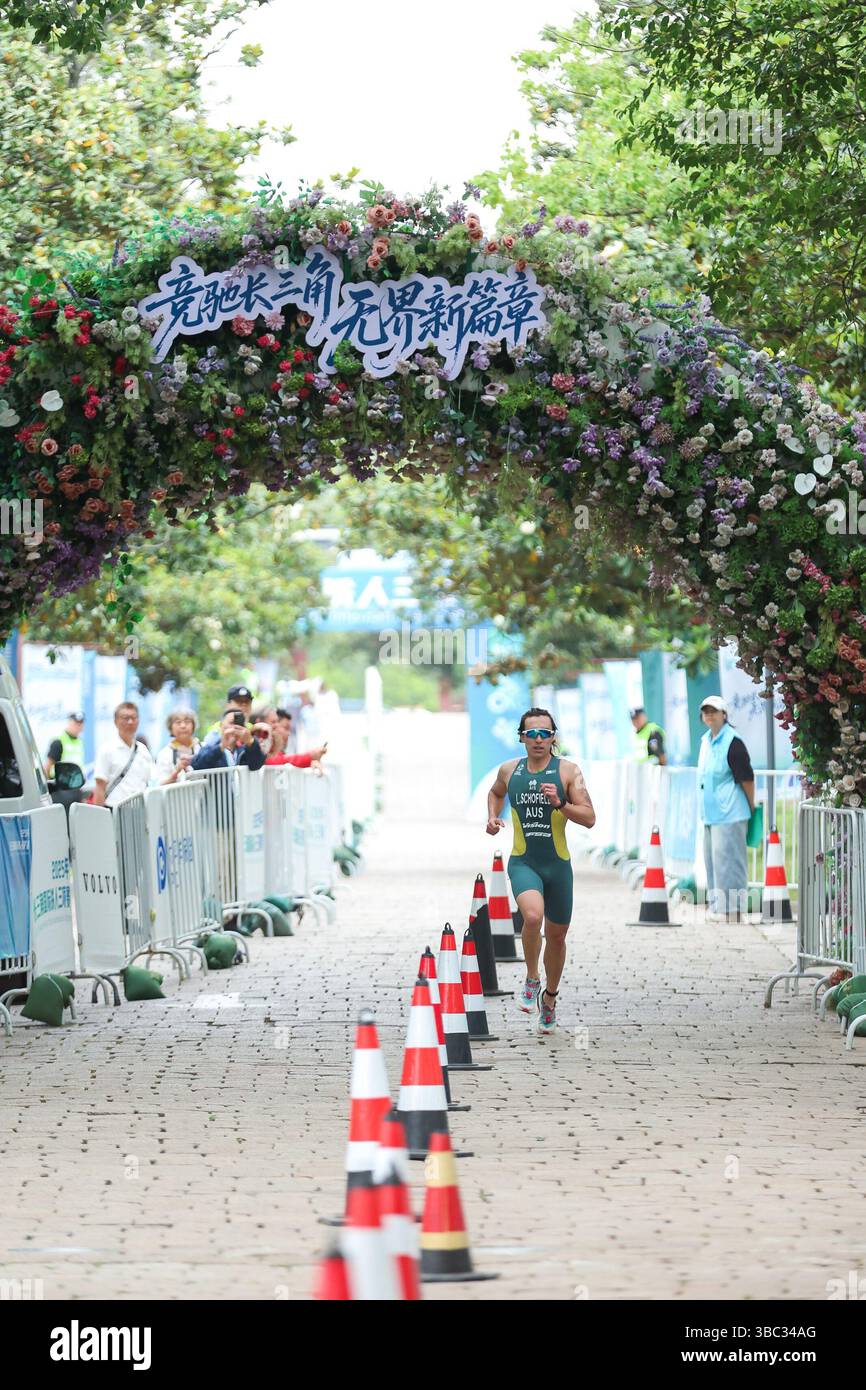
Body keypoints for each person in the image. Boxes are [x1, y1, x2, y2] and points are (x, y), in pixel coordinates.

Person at [486, 708, 595, 1035]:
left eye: (544, 734)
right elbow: (495, 793)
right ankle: (532, 977)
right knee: (532, 918)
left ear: (553, 737)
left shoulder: (568, 772)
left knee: (558, 936)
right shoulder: (509, 770)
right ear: (521, 737)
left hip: (558, 865)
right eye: (531, 734)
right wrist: (492, 817)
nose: (538, 740)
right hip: (524, 861)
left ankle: (549, 998)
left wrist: (560, 804)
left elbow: (589, 817)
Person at [697, 695, 756, 921]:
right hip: (711, 814)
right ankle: (718, 908)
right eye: (706, 711)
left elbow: (747, 779)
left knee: (731, 863)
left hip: (731, 812)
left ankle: (734, 911)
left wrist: (750, 806)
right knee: (713, 863)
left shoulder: (733, 741)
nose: (709, 715)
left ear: (724, 714)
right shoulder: (705, 741)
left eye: (714, 710)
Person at [92, 701, 154, 809]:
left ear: (138, 721)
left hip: (139, 810)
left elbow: (149, 782)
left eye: (133, 718)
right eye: (125, 718)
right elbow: (99, 788)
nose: (130, 722)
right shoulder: (106, 750)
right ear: (116, 722)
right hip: (113, 810)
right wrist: (99, 818)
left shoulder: (143, 750)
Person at [190, 711, 268, 771]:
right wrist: (221, 747)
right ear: (221, 726)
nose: (235, 727)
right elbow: (198, 766)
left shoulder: (244, 750)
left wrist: (251, 743)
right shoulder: (210, 746)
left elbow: (256, 765)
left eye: (239, 724)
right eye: (231, 723)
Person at [154, 708, 201, 785]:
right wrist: (176, 771)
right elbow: (160, 784)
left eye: (187, 722)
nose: (183, 726)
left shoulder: (202, 748)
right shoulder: (164, 754)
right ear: (170, 728)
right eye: (178, 722)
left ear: (193, 726)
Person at [44, 710, 85, 779]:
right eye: (76, 723)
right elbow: (48, 767)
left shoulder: (79, 742)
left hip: (74, 783)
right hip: (59, 785)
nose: (78, 726)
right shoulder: (58, 741)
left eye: (80, 724)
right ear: (69, 723)